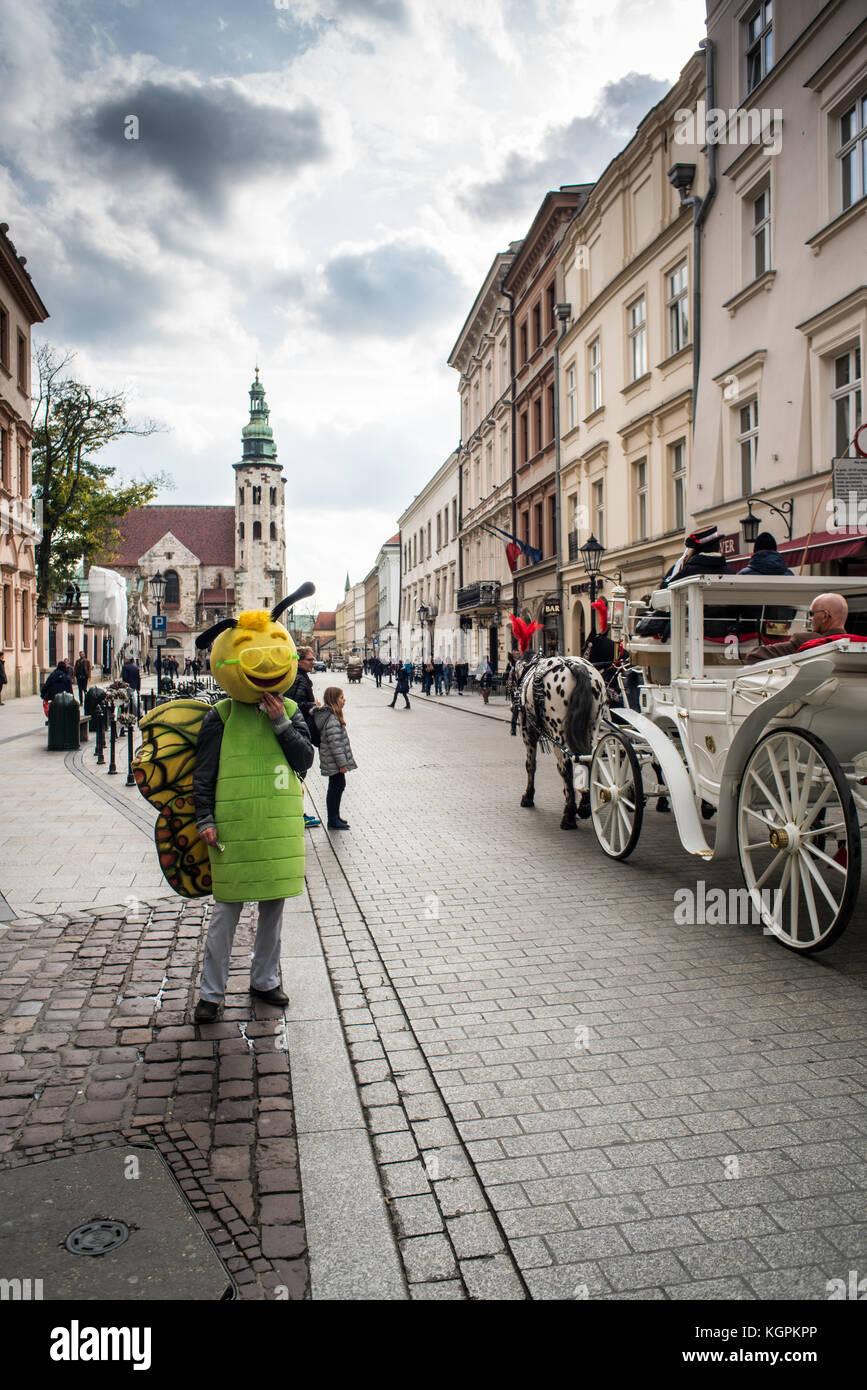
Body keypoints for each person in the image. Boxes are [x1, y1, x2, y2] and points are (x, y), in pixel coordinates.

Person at [189, 601, 316, 1022]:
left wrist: (281, 724)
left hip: (277, 829)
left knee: (274, 911)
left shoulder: (293, 712)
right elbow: (203, 775)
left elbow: (304, 760)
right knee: (226, 912)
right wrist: (204, 818)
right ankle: (211, 992)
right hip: (232, 829)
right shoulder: (220, 717)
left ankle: (264, 980)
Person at [745, 592, 850, 664]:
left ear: (825, 616)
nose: (810, 619)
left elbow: (754, 656)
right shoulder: (855, 645)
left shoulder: (804, 641)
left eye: (812, 613)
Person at [287, 646, 322, 829]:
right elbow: (293, 705)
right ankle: (297, 814)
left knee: (299, 775)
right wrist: (312, 705)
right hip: (299, 733)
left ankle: (297, 813)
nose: (313, 662)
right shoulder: (299, 679)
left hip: (297, 733)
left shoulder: (298, 677)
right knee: (298, 775)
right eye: (310, 659)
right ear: (299, 661)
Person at [313, 687, 356, 830]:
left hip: (333, 761)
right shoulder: (331, 718)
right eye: (341, 697)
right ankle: (332, 820)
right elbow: (335, 744)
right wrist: (342, 764)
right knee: (335, 788)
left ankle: (335, 816)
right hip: (334, 762)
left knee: (337, 786)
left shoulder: (332, 716)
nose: (344, 700)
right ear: (334, 699)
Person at [660, 524, 731, 588]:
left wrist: (680, 564)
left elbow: (664, 587)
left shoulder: (688, 571)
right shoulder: (730, 571)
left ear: (695, 550)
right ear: (718, 547)